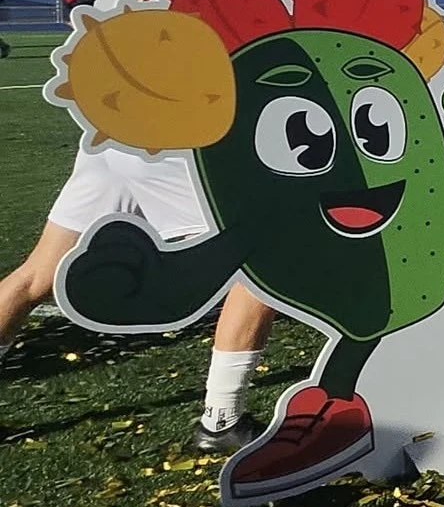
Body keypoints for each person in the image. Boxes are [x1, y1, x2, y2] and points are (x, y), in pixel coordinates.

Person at [0, 145, 276, 452]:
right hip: (177, 144)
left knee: (38, 273)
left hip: (112, 139)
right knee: (262, 256)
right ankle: (222, 421)